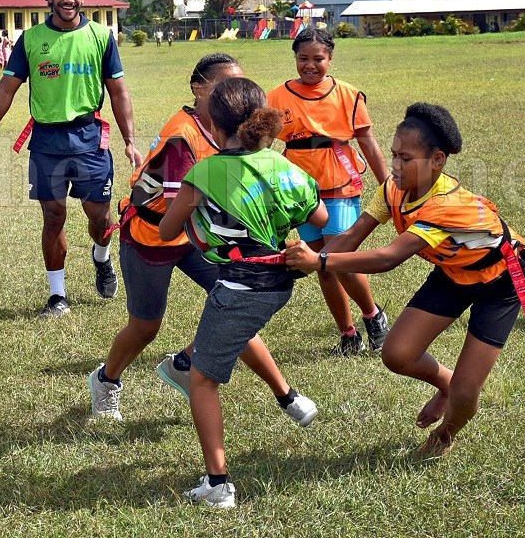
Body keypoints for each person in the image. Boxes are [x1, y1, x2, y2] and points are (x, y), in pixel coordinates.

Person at [286, 103, 525, 457]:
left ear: (437, 159)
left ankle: (444, 435)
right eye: (394, 155)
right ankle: (447, 385)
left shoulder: (447, 205)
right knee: (397, 354)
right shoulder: (394, 189)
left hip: (501, 281)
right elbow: (351, 238)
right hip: (454, 272)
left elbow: (389, 257)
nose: (396, 166)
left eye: (406, 158)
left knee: (468, 393)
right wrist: (301, 266)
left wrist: (321, 259)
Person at [89, 54, 319, 430]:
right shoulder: (184, 134)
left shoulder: (235, 134)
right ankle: (106, 380)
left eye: (239, 85)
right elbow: (181, 208)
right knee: (146, 327)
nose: (234, 94)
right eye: (223, 85)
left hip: (201, 234)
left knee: (235, 307)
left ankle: (283, 394)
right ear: (199, 89)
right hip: (155, 234)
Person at [159, 76, 326, 508]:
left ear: (213, 125)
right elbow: (321, 217)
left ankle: (218, 485)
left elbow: (166, 229)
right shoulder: (284, 165)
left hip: (237, 286)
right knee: (234, 335)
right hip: (279, 284)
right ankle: (289, 400)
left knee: (202, 380)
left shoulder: (205, 172)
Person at [0, 0, 144, 316]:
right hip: (46, 141)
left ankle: (102, 256)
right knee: (53, 216)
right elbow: (6, 88)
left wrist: (130, 140)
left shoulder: (100, 37)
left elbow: (119, 90)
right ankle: (57, 295)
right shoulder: (31, 41)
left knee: (99, 218)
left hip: (90, 138)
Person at [267, 28, 391, 355]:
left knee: (335, 256)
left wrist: (389, 187)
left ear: (330, 59)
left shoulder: (349, 95)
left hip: (340, 179)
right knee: (319, 263)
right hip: (297, 188)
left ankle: (373, 315)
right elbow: (263, 143)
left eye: (318, 59)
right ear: (294, 58)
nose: (310, 65)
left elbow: (368, 143)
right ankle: (348, 335)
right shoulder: (277, 97)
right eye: (303, 58)